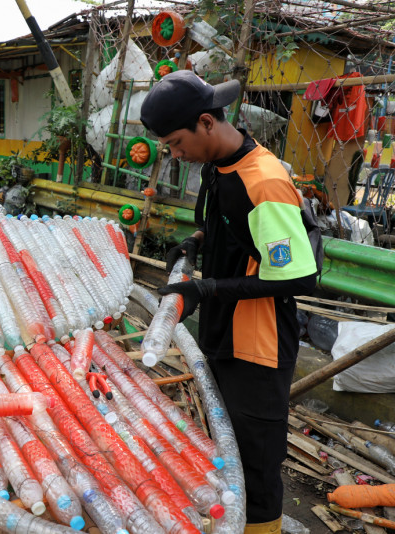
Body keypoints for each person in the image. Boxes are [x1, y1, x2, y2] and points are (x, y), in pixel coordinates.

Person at [139, 70, 318, 534]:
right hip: (223, 334)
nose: (176, 154)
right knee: (226, 449)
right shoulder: (219, 168)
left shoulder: (264, 181)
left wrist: (209, 289)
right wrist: (196, 242)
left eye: (177, 143)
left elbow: (299, 276)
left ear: (205, 122)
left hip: (256, 347)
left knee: (256, 466)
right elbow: (234, 228)